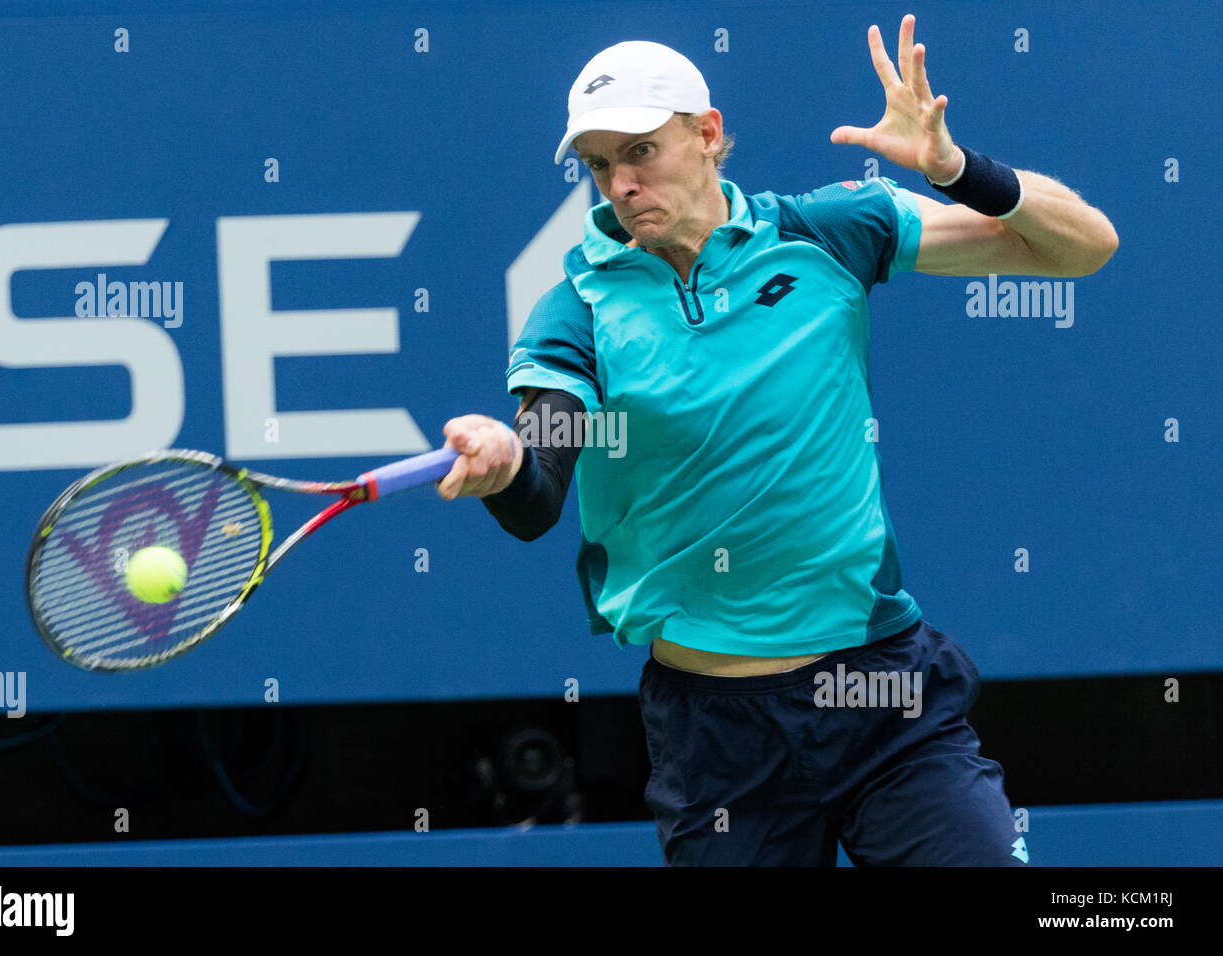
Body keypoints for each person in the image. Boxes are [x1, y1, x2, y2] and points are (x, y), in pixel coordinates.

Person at [436, 15, 1118, 865]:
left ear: (707, 134)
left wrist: (954, 169)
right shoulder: (576, 313)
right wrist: (504, 465)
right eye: (600, 164)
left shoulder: (828, 233)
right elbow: (539, 489)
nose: (619, 183)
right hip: (718, 740)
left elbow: (1084, 248)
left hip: (882, 693)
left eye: (640, 151)